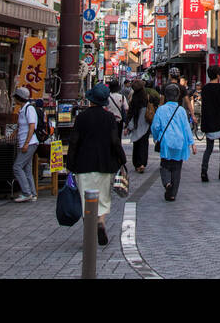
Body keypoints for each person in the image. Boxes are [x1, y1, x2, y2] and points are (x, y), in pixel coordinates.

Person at [66, 84, 127, 245]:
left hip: (83, 163)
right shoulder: (109, 118)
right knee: (103, 198)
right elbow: (115, 141)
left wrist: (70, 163)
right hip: (105, 163)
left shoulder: (81, 118)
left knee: (86, 199)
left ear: (91, 99)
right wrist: (122, 159)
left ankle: (89, 232)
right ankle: (100, 222)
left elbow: (74, 142)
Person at [150, 83, 195, 201]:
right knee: (176, 168)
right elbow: (186, 127)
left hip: (166, 142)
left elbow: (155, 126)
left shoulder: (161, 109)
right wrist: (192, 143)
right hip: (180, 143)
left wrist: (156, 138)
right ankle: (172, 194)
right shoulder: (181, 111)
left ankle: (167, 183)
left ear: (165, 96)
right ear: (177, 96)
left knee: (164, 165)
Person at [199, 65, 220, 183]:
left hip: (209, 121)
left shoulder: (205, 89)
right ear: (218, 75)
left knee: (209, 148)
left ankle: (204, 171)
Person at [12, 86, 39, 202]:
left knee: (17, 167)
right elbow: (23, 126)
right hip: (25, 142)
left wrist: (26, 144)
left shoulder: (29, 109)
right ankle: (32, 193)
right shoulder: (23, 109)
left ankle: (26, 192)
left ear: (19, 98)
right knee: (27, 169)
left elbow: (32, 126)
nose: (14, 100)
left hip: (29, 143)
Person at [127, 77, 154, 173]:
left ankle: (137, 164)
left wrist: (128, 126)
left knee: (137, 144)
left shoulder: (134, 99)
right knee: (144, 144)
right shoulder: (147, 97)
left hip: (136, 123)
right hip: (146, 123)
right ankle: (143, 163)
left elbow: (131, 113)